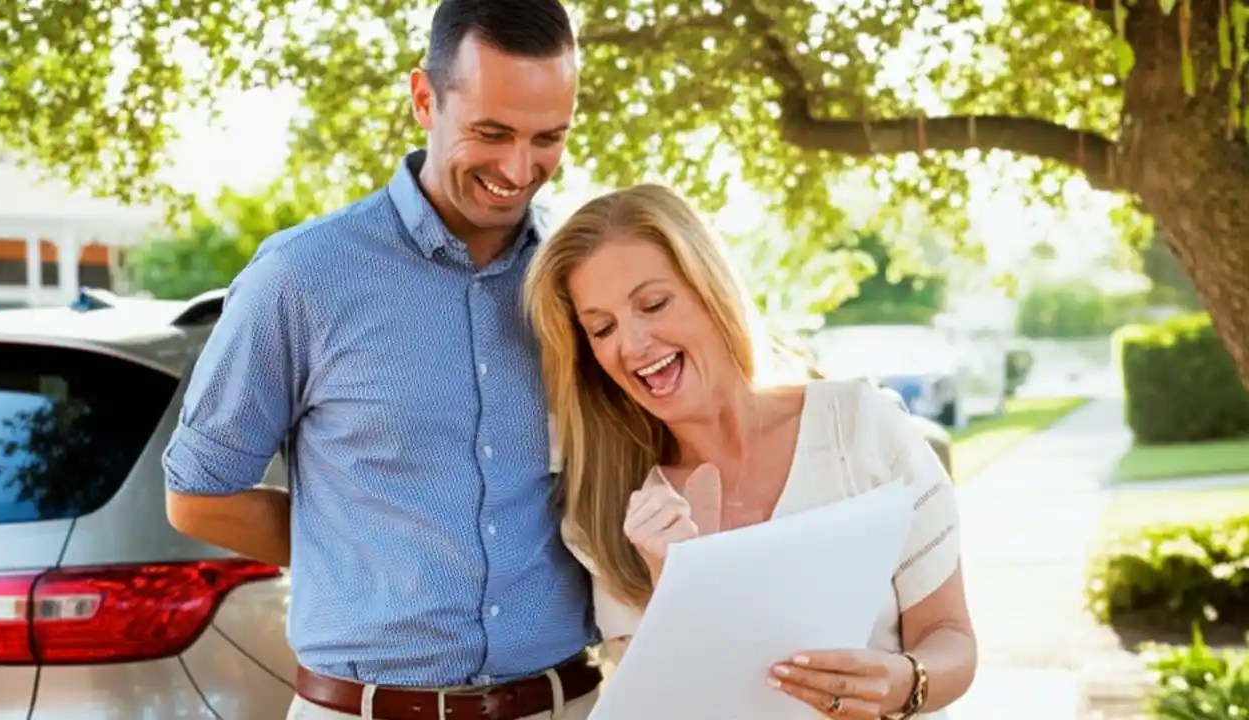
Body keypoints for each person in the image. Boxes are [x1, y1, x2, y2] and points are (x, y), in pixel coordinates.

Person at [162, 2, 603, 718]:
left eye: (548, 137)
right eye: (491, 133)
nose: (519, 168)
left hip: (567, 704)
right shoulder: (302, 277)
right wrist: (371, 558)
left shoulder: (581, 274)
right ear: (424, 99)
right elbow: (198, 494)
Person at [522, 184, 978, 719]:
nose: (632, 344)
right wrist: (675, 584)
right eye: (602, 328)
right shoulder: (614, 513)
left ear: (709, 288)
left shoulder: (859, 426)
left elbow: (949, 636)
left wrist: (902, 682)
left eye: (654, 304)